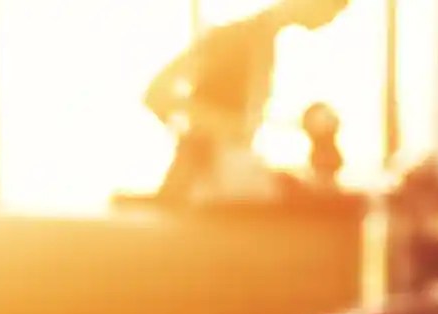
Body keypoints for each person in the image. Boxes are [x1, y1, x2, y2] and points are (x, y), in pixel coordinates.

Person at [145, 0, 350, 204]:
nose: (331, 19)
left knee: (318, 192)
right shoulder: (231, 37)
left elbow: (246, 119)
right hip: (211, 179)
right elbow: (156, 94)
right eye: (334, 8)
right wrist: (221, 125)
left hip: (234, 172)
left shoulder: (265, 43)